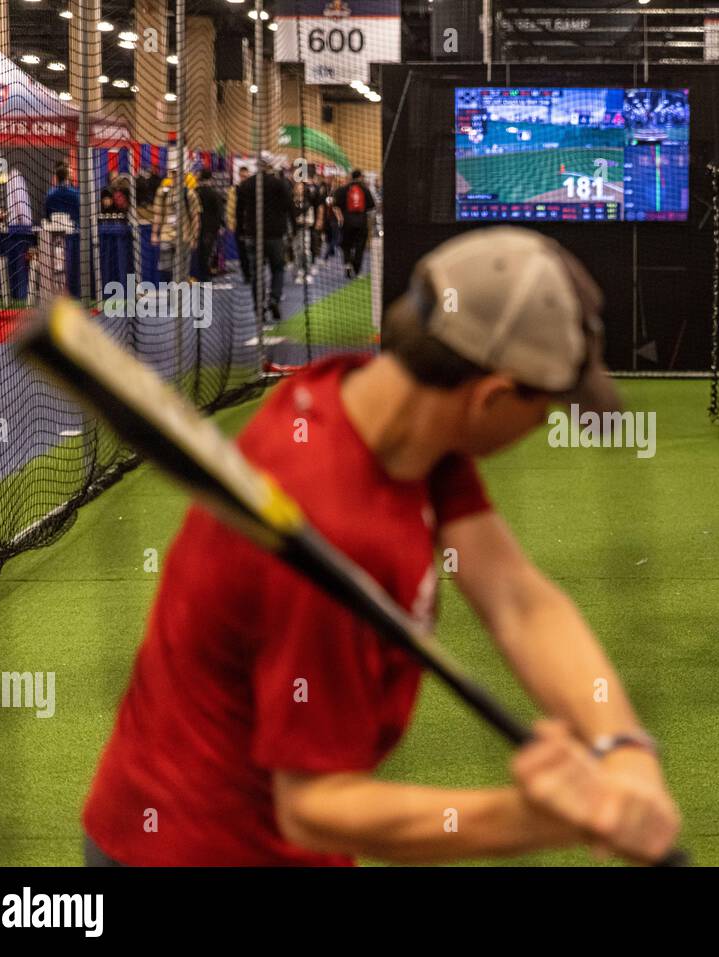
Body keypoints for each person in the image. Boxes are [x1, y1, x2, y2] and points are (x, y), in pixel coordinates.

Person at [81, 227, 681, 866]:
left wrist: (622, 750)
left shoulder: (370, 401)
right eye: (545, 411)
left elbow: (515, 598)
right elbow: (313, 808)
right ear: (492, 397)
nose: (542, 426)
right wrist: (542, 818)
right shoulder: (334, 528)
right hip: (189, 851)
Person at [234, 157, 295, 323]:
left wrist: (240, 231)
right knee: (278, 269)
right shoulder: (279, 184)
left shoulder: (246, 185)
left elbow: (239, 212)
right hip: (275, 235)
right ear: (269, 167)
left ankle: (258, 307)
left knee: (256, 273)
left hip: (253, 235)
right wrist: (293, 229)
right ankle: (274, 299)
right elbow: (290, 207)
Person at [150, 170, 202, 282]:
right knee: (165, 268)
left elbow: (195, 217)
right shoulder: (163, 192)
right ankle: (171, 292)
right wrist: (154, 234)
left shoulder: (189, 193)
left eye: (177, 174)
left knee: (183, 269)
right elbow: (158, 214)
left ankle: (181, 293)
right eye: (172, 174)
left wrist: (194, 237)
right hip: (166, 235)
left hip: (184, 236)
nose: (174, 176)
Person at [332, 169, 375, 278]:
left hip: (347, 222)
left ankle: (347, 264)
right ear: (360, 177)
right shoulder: (365, 189)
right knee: (360, 246)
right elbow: (371, 205)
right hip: (361, 222)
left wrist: (341, 215)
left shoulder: (343, 189)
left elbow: (335, 203)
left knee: (346, 244)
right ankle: (356, 269)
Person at [194, 169, 225, 279]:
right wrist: (222, 225)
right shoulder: (214, 194)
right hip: (211, 227)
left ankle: (199, 272)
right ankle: (205, 273)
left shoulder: (194, 192)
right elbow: (219, 211)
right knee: (207, 251)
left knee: (199, 250)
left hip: (195, 225)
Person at [43, 162, 81, 226]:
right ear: (68, 175)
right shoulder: (76, 194)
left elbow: (47, 216)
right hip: (75, 232)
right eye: (71, 172)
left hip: (56, 233)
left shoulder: (50, 194)